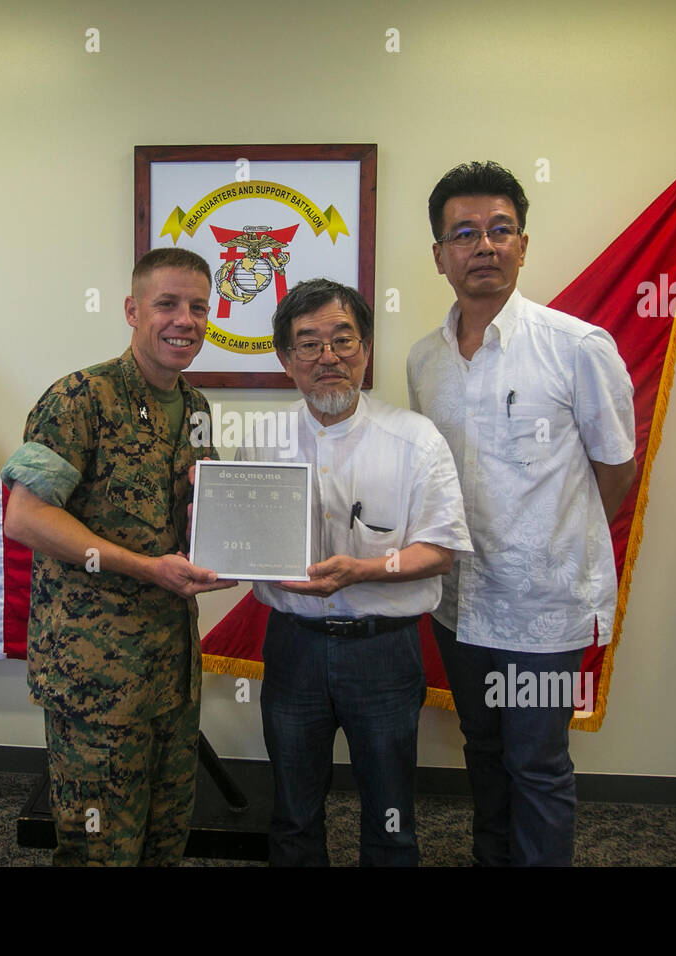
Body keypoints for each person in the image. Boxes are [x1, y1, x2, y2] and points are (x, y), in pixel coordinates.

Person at [407, 161, 637, 866]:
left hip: (542, 607)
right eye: (466, 233)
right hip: (459, 604)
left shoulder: (578, 349)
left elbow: (616, 470)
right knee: (483, 749)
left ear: (524, 245)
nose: (485, 246)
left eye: (501, 230)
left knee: (536, 762)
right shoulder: (425, 361)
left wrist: (553, 545)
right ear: (441, 256)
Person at [1, 247, 234, 866]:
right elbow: (26, 516)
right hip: (97, 679)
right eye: (167, 304)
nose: (185, 320)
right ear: (133, 310)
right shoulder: (80, 398)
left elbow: (190, 514)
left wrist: (227, 537)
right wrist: (144, 566)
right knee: (99, 850)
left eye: (198, 308)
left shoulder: (197, 409)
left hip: (172, 672)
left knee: (164, 842)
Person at [239, 278, 470, 866]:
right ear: (286, 359)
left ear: (366, 350)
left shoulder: (415, 439)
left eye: (344, 340)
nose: (329, 358)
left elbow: (439, 550)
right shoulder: (261, 443)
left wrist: (360, 571)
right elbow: (237, 545)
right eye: (309, 344)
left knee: (391, 816)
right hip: (293, 647)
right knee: (293, 813)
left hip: (384, 651)